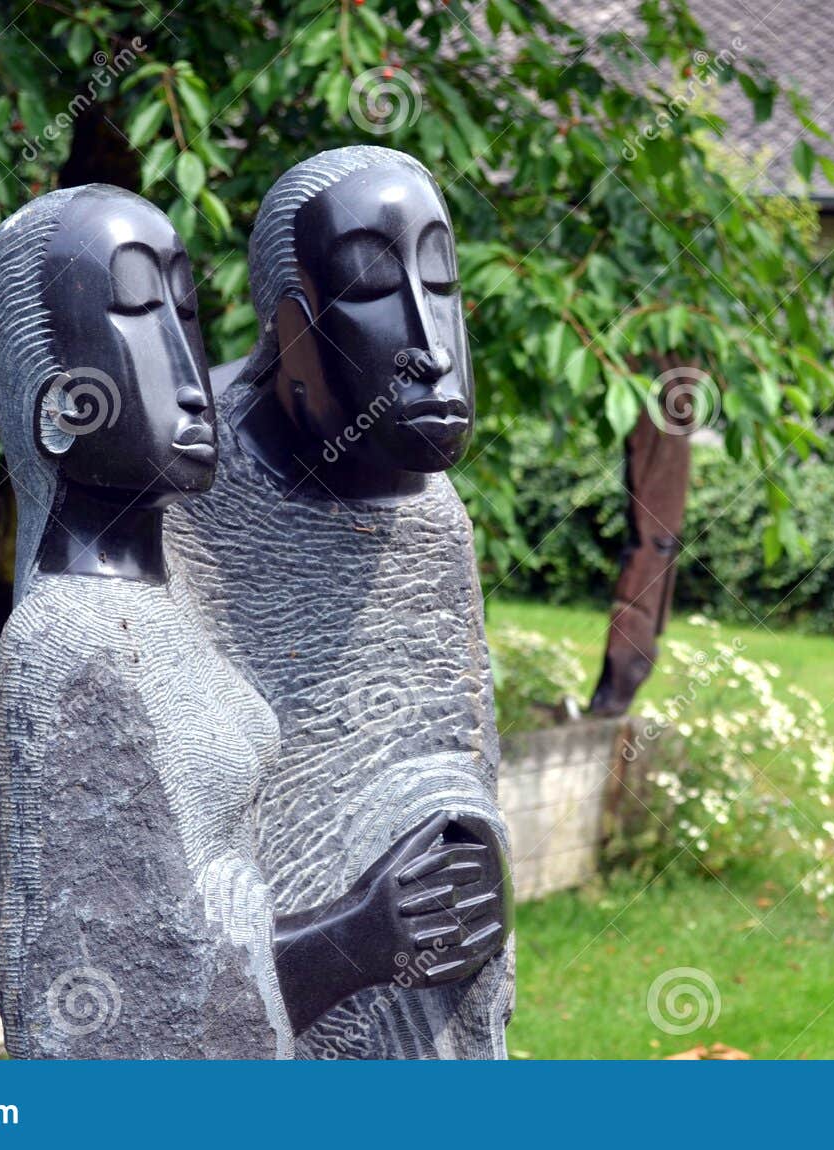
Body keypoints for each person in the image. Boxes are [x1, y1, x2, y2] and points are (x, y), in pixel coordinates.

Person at [0, 183, 501, 1058]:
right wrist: (359, 939)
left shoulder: (153, 621)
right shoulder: (72, 641)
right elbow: (108, 1017)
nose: (197, 379)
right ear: (67, 407)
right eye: (146, 321)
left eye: (187, 317)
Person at [167, 146, 514, 1059]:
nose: (431, 347)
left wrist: (470, 872)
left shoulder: (432, 519)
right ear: (288, 327)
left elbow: (459, 762)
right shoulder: (179, 507)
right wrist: (353, 940)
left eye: (439, 279)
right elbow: (149, 920)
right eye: (367, 288)